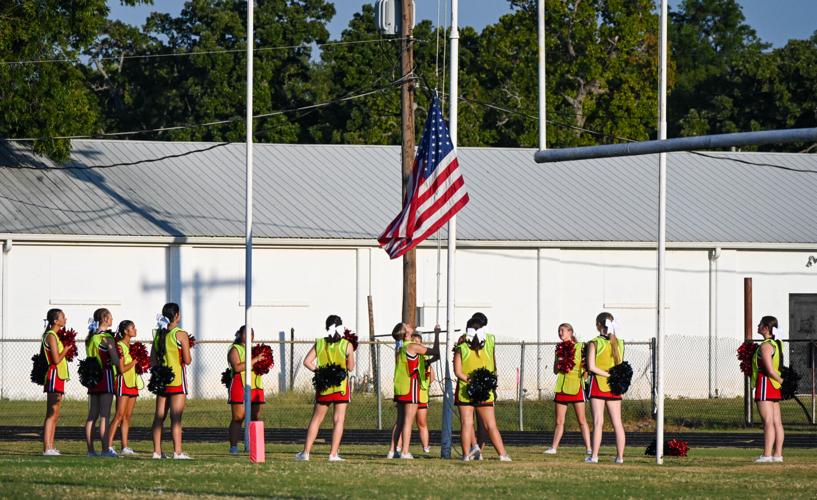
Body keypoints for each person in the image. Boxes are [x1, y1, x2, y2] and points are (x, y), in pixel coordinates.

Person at [296, 315, 356, 461]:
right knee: (338, 420)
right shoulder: (346, 344)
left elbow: (307, 362)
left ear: (326, 327)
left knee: (316, 419)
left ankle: (306, 453)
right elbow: (350, 367)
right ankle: (333, 454)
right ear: (341, 327)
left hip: (324, 387)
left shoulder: (320, 343)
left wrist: (321, 372)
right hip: (341, 387)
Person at [453, 314, 511, 461]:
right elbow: (493, 360)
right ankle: (503, 455)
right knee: (491, 425)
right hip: (486, 389)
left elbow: (457, 372)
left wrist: (470, 379)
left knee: (466, 423)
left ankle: (466, 455)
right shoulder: (490, 340)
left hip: (466, 390)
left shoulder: (461, 346)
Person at [389, 322, 440, 459]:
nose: (410, 325)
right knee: (408, 421)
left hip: (400, 388)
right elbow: (436, 352)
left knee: (399, 421)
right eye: (406, 326)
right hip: (410, 387)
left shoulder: (400, 348)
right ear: (406, 333)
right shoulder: (412, 346)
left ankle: (392, 451)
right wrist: (436, 334)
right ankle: (405, 452)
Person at [150, 303, 193, 460]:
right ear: (177, 316)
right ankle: (178, 452)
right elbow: (187, 360)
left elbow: (152, 361)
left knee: (159, 416)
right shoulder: (181, 334)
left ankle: (156, 452)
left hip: (161, 380)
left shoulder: (159, 334)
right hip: (176, 380)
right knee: (176, 418)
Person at [545, 323, 592, 456]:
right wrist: (558, 361)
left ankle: (589, 448)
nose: (560, 333)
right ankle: (553, 448)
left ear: (570, 332)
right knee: (559, 421)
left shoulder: (580, 347)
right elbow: (555, 371)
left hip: (576, 386)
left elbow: (586, 368)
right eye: (559, 331)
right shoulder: (558, 348)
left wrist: (585, 376)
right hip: (561, 387)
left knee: (582, 420)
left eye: (562, 331)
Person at [585, 312, 625, 464]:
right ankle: (620, 457)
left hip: (599, 385)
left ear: (598, 325)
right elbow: (621, 365)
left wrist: (606, 376)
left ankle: (594, 456)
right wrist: (614, 377)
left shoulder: (595, 343)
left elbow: (591, 367)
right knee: (617, 423)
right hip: (615, 386)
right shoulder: (620, 342)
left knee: (598, 422)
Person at [102, 320, 142, 457]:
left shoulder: (131, 346)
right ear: (126, 331)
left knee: (127, 416)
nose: (135, 329)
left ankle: (124, 446)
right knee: (119, 415)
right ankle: (108, 446)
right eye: (133, 327)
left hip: (132, 383)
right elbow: (122, 368)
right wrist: (135, 361)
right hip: (123, 383)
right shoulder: (119, 346)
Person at [227, 325, 267, 455]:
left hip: (256, 385)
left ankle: (255, 447)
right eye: (245, 333)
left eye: (251, 334)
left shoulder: (255, 350)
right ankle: (233, 447)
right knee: (238, 417)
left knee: (255, 416)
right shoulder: (235, 349)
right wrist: (255, 360)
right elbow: (237, 367)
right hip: (240, 385)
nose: (248, 336)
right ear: (239, 334)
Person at [84, 308, 119, 457]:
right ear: (105, 318)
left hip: (92, 377)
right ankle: (105, 449)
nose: (112, 319)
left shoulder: (91, 337)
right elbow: (115, 360)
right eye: (110, 317)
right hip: (105, 376)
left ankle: (91, 450)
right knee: (105, 415)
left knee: (92, 415)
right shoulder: (106, 338)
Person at [752, 315, 785, 463]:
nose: (757, 327)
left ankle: (767, 455)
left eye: (760, 325)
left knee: (768, 422)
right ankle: (777, 455)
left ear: (766, 328)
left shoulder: (766, 346)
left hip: (766, 383)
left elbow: (769, 369)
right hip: (774, 385)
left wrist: (782, 381)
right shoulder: (776, 343)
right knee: (777, 422)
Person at [42, 308, 69, 456]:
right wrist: (66, 349)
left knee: (56, 414)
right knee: (51, 414)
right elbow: (56, 359)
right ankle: (47, 448)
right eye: (63, 317)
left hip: (59, 376)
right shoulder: (51, 335)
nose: (65, 319)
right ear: (55, 320)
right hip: (53, 376)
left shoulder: (56, 336)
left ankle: (51, 446)